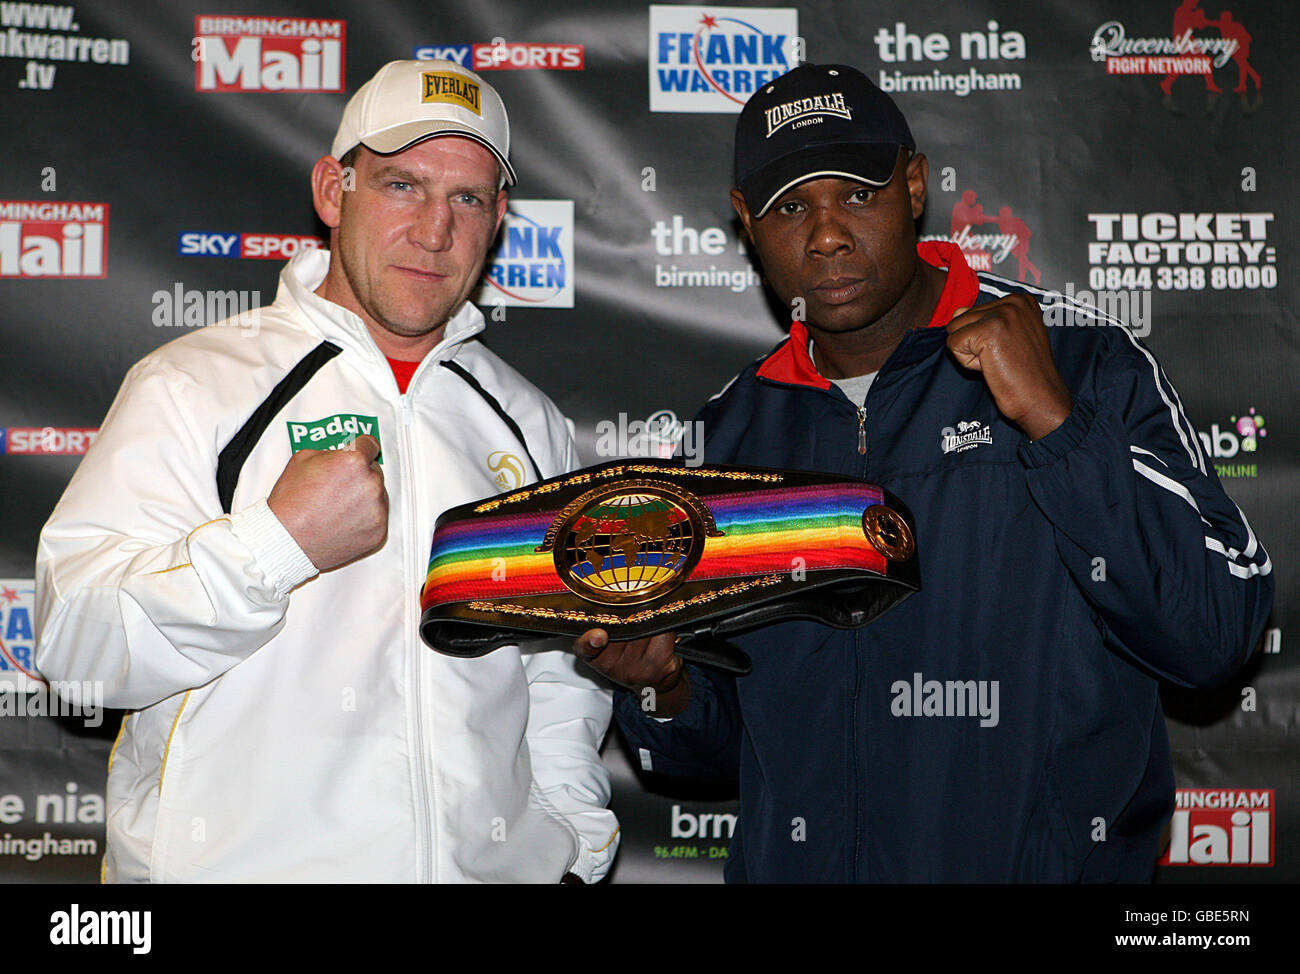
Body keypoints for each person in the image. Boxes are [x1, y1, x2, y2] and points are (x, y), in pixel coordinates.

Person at [574, 63, 1272, 882]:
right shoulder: (729, 437)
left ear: (912, 188)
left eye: (858, 195)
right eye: (791, 206)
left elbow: (1214, 637)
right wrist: (664, 688)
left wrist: (1057, 426)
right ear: (746, 224)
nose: (827, 233)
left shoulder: (1082, 364)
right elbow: (722, 755)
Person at [35, 59, 618, 883]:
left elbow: (556, 680)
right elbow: (74, 648)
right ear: (332, 191)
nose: (434, 231)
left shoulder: (528, 422)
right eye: (402, 185)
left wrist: (572, 848)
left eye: (467, 198)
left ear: (499, 219)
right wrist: (274, 547)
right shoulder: (195, 384)